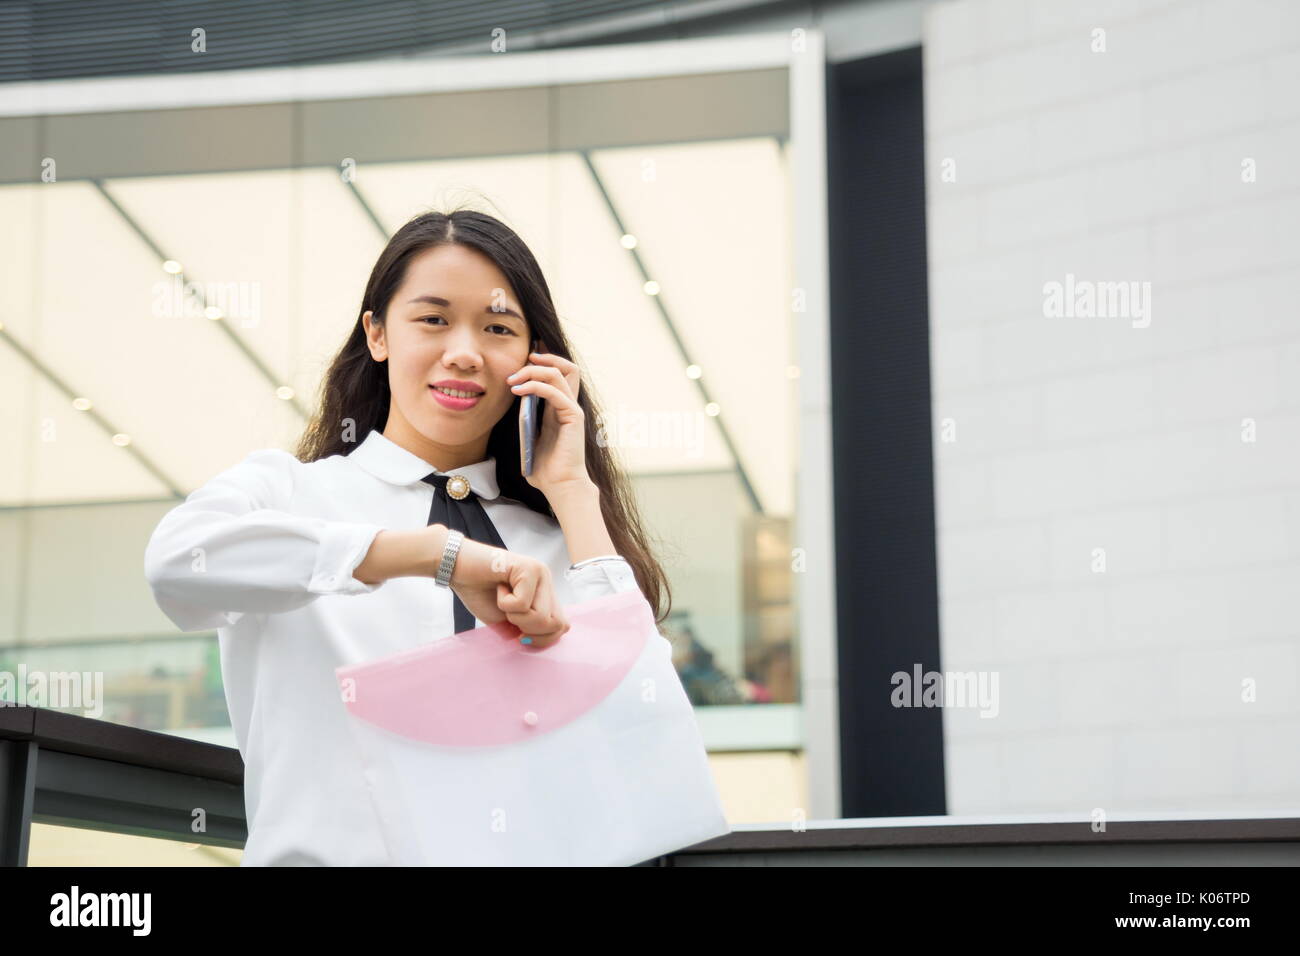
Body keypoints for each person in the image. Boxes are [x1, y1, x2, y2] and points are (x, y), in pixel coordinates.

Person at [144, 208, 673, 865]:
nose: (464, 351)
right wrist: (430, 555)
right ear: (377, 333)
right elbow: (173, 565)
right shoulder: (289, 494)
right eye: (433, 318)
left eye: (498, 328)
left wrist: (572, 491)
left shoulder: (556, 540)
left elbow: (643, 739)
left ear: (532, 359)